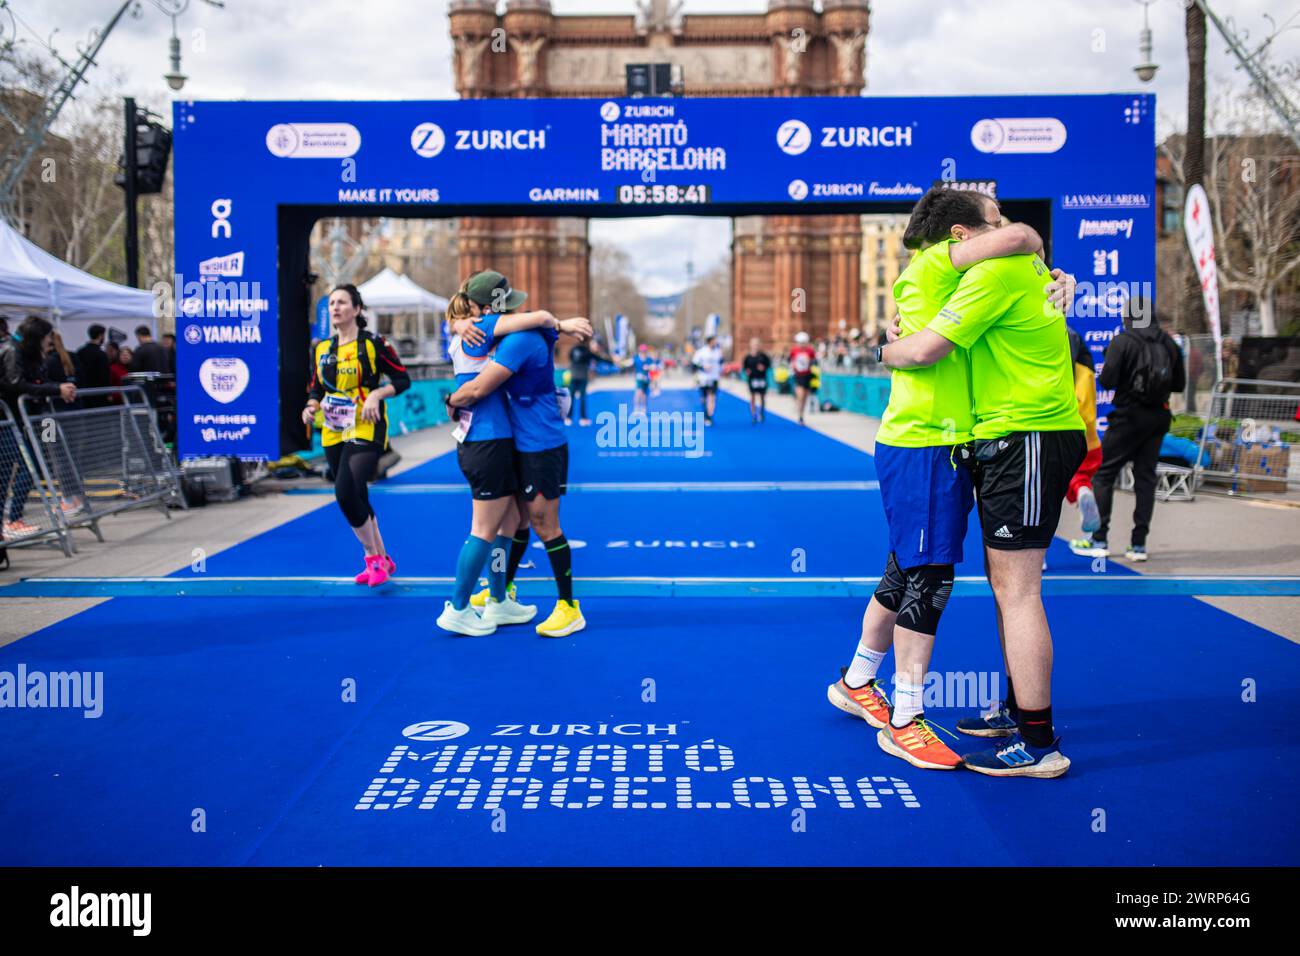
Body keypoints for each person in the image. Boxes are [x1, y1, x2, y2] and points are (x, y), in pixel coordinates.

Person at [831, 188, 1064, 772]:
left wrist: (1055, 280)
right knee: (930, 578)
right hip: (928, 442)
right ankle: (906, 719)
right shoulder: (939, 262)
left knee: (907, 566)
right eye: (993, 221)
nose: (1003, 226)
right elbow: (1022, 238)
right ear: (962, 237)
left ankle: (858, 680)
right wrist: (1031, 240)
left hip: (938, 440)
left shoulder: (954, 277)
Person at [438, 272, 589, 636]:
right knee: (501, 527)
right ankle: (488, 596)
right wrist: (460, 325)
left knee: (526, 524)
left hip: (535, 443)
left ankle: (563, 605)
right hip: (503, 443)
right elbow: (476, 373)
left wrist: (450, 399)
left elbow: (477, 388)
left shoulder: (515, 339)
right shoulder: (491, 333)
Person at [302, 284, 410, 587]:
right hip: (333, 428)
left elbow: (402, 380)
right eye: (332, 302)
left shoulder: (375, 344)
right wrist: (310, 406)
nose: (335, 307)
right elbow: (315, 387)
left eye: (342, 302)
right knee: (358, 495)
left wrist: (377, 394)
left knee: (345, 491)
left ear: (357, 309)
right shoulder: (322, 348)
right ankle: (384, 559)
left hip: (366, 425)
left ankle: (371, 558)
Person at [1071, 295, 1185, 562]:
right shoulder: (1168, 343)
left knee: (1103, 473)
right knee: (1145, 477)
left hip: (1127, 418)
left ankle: (1099, 539)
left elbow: (1108, 381)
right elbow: (1179, 384)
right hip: (1158, 416)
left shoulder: (1123, 341)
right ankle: (1139, 544)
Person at [1, 316, 78, 538]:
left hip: (33, 418)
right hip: (18, 420)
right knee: (29, 465)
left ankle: (13, 519)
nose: (49, 342)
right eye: (46, 337)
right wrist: (55, 390)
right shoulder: (14, 351)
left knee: (35, 462)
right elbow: (16, 384)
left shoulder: (30, 355)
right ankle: (13, 518)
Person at [1064, 325, 1103, 537]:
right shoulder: (1076, 338)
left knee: (1041, 491)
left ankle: (1037, 553)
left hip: (1055, 416)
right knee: (1081, 470)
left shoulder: (1050, 333)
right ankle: (1082, 489)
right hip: (1084, 422)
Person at [75, 325, 112, 405]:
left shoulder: (80, 352)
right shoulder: (101, 354)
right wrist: (109, 393)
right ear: (100, 335)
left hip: (83, 392)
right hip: (99, 393)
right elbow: (105, 375)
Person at [692, 334, 723, 425]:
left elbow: (721, 363)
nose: (715, 342)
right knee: (704, 398)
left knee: (712, 397)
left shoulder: (718, 352)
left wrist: (721, 370)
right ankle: (705, 414)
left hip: (714, 378)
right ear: (709, 341)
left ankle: (710, 415)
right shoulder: (701, 352)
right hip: (703, 378)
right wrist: (703, 367)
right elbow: (694, 365)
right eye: (714, 341)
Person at [789, 331, 816, 425]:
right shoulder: (794, 351)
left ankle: (801, 415)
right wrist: (792, 370)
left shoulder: (810, 351)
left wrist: (811, 363)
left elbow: (813, 362)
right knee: (800, 395)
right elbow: (791, 361)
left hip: (807, 375)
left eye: (803, 342)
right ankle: (798, 408)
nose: (802, 344)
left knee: (805, 396)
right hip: (798, 375)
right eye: (800, 342)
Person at [742, 337, 771, 423]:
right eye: (754, 344)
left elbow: (769, 365)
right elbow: (745, 367)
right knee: (752, 397)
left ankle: (761, 412)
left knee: (762, 397)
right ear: (751, 345)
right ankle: (753, 414)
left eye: (757, 344)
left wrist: (764, 368)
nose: (756, 346)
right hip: (752, 379)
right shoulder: (748, 357)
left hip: (761, 378)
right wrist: (747, 371)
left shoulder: (764, 356)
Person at [631, 343, 656, 417]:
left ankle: (643, 409)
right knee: (638, 393)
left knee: (644, 395)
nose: (643, 353)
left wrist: (649, 367)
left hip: (646, 379)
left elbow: (653, 367)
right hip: (639, 379)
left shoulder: (649, 359)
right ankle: (636, 409)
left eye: (644, 351)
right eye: (642, 351)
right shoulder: (636, 359)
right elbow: (632, 366)